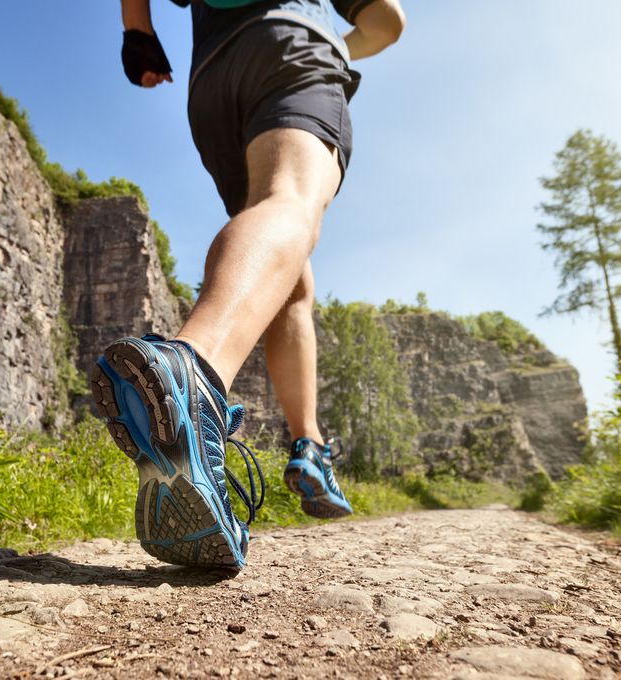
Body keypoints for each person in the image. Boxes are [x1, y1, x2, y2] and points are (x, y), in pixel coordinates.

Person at [90, 0, 405, 570]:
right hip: (291, 45)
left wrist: (138, 32)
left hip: (212, 81)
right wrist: (338, 43)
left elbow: (138, 17)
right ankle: (196, 372)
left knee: (287, 274)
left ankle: (309, 444)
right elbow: (387, 21)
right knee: (292, 200)